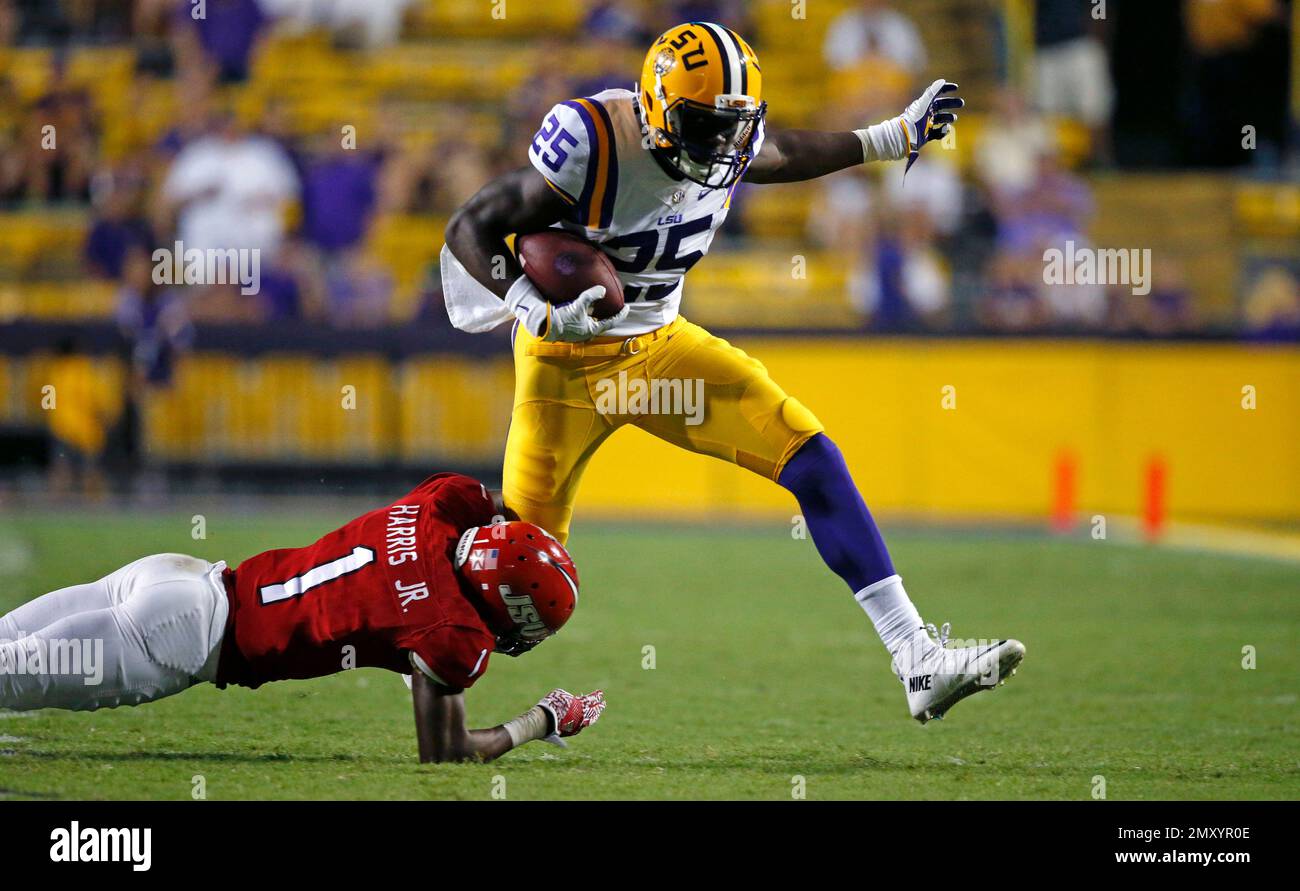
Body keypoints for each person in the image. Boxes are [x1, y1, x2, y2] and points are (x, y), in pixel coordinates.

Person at [441, 22, 1023, 724]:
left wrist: (895, 136)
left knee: (810, 456)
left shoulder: (726, 140)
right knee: (518, 584)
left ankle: (916, 658)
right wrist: (531, 304)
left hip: (658, 349)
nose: (723, 146)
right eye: (706, 125)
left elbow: (785, 153)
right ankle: (422, 692)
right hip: (561, 366)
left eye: (732, 128)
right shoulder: (594, 140)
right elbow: (470, 226)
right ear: (657, 109)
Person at [0, 473, 605, 762]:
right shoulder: (454, 633)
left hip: (179, 575)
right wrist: (542, 719)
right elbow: (444, 756)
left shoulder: (440, 509)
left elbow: (478, 512)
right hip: (185, 638)